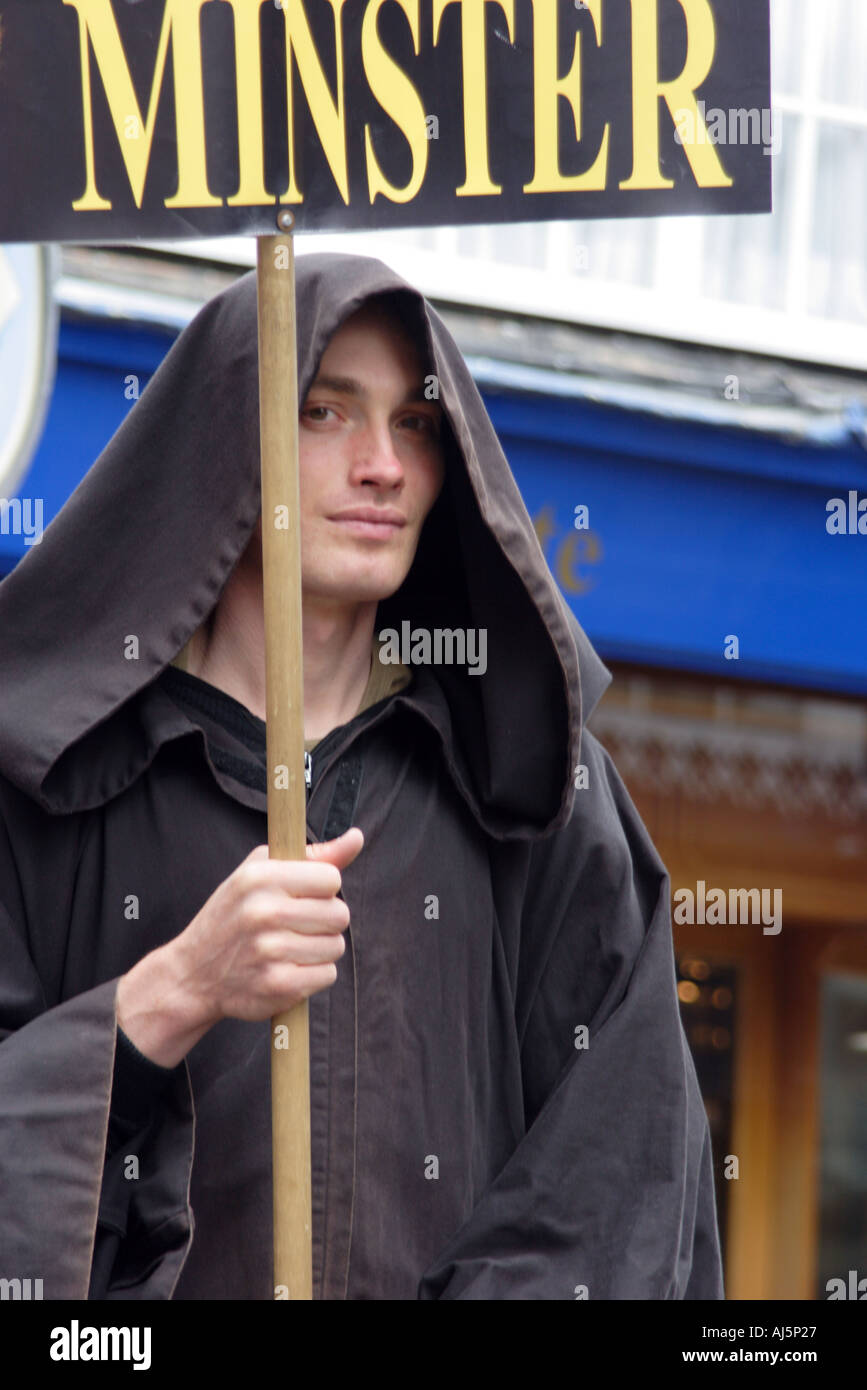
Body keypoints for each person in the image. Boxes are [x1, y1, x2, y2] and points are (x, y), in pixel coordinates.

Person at [0, 253, 724, 1300]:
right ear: (223, 446)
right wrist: (170, 996)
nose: (383, 464)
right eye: (326, 414)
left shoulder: (536, 794)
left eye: (417, 423)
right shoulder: (44, 778)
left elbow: (620, 1184)